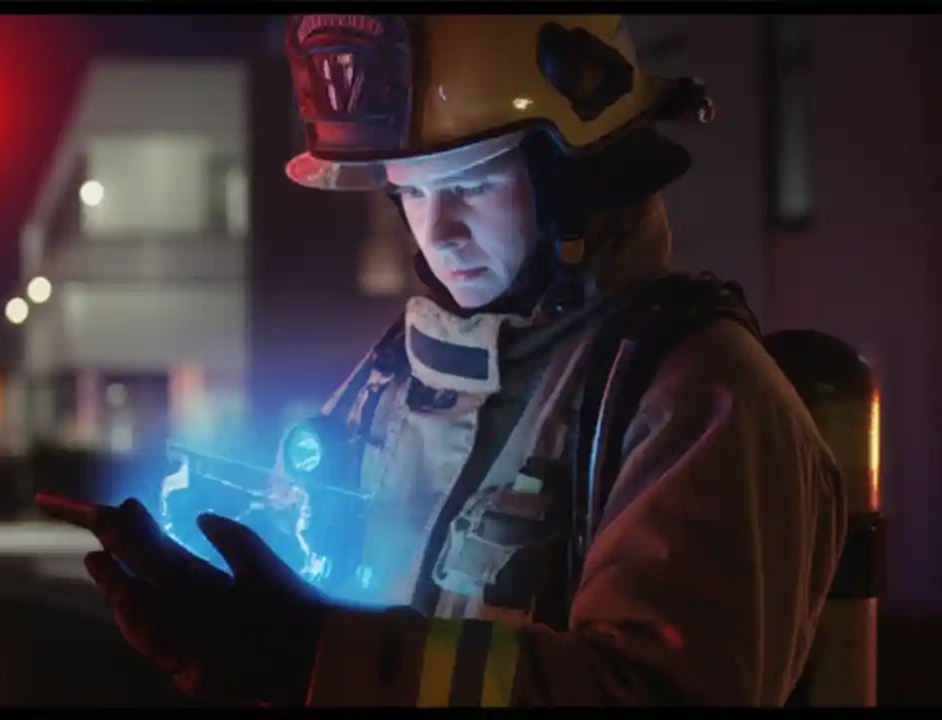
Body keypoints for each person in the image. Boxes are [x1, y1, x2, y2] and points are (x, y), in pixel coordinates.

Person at [45, 14, 848, 706]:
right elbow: (325, 579)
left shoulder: (700, 398)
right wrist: (217, 599)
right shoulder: (400, 369)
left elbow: (652, 693)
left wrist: (318, 658)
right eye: (411, 190)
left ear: (576, 171)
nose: (439, 230)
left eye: (472, 182)